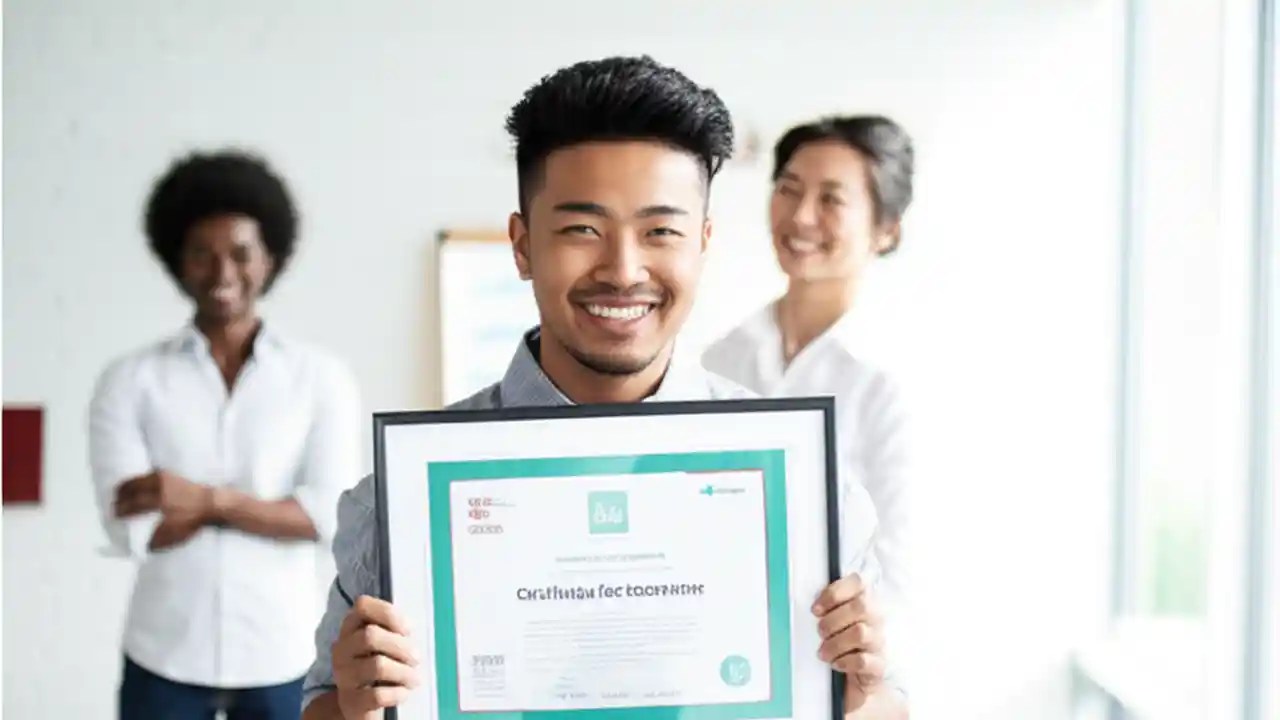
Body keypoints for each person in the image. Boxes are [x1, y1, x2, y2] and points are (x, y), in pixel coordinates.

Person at [300, 58, 908, 720]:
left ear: (702, 244)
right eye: (582, 230)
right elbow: (322, 707)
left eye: (661, 232)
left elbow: (889, 707)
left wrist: (859, 696)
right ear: (522, 245)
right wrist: (356, 708)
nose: (623, 270)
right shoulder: (400, 501)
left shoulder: (808, 492)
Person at [88, 150, 362, 720]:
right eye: (201, 254)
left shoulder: (320, 379)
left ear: (270, 258)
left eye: (240, 252)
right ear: (176, 260)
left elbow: (327, 517)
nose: (222, 273)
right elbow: (134, 527)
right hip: (163, 653)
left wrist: (199, 499)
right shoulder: (130, 381)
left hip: (285, 653)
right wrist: (268, 510)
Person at [702, 115, 916, 659]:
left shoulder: (892, 378)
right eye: (789, 189)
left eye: (831, 199)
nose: (800, 216)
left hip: (852, 666)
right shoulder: (722, 358)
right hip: (728, 651)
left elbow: (903, 573)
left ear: (887, 228)